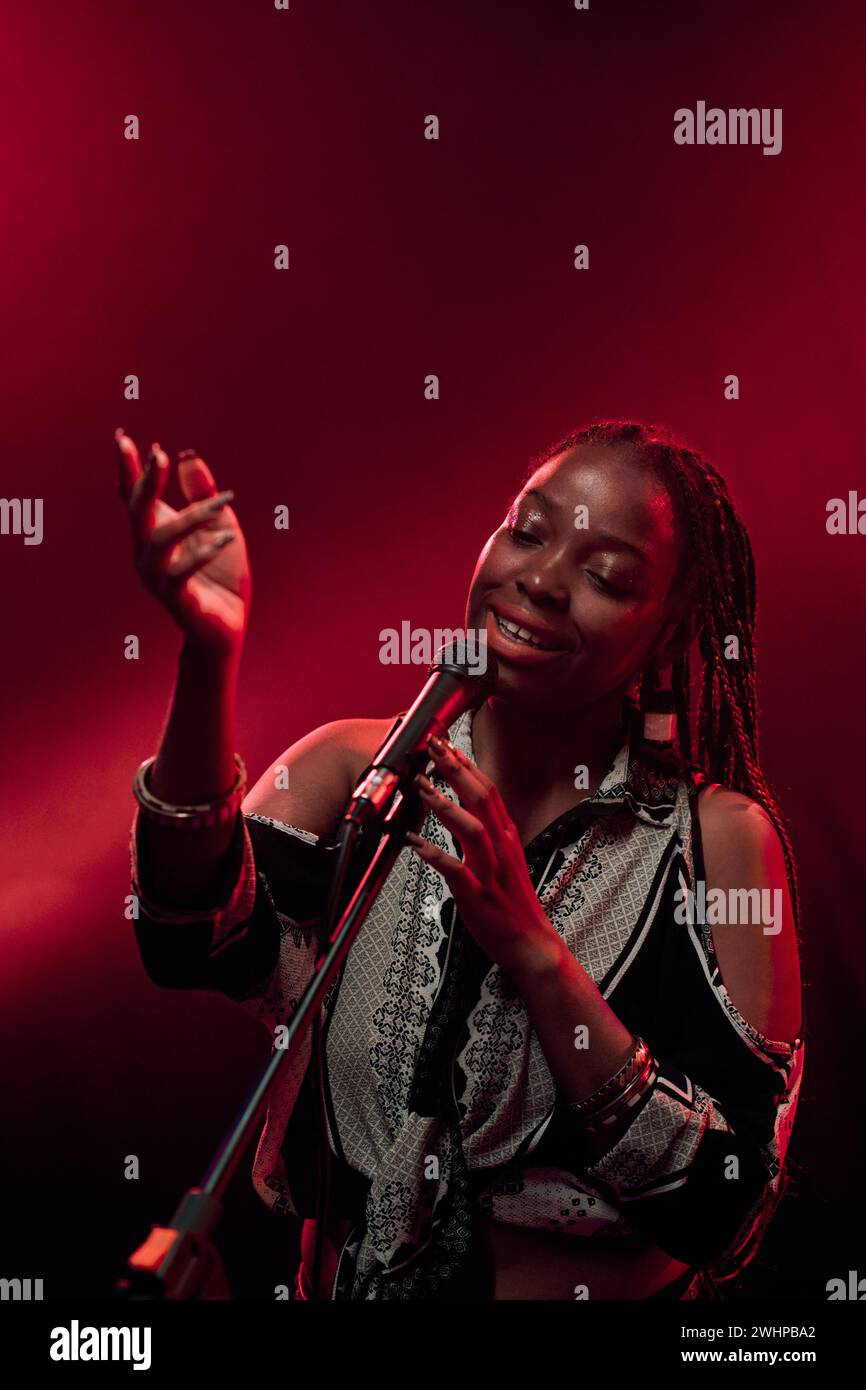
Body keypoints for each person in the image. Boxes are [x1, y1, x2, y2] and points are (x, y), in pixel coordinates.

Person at [117, 418, 805, 1301]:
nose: (543, 580)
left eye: (606, 577)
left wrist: (532, 949)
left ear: (669, 637)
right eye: (527, 529)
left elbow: (727, 1206)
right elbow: (186, 933)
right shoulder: (350, 771)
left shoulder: (720, 842)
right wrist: (207, 655)